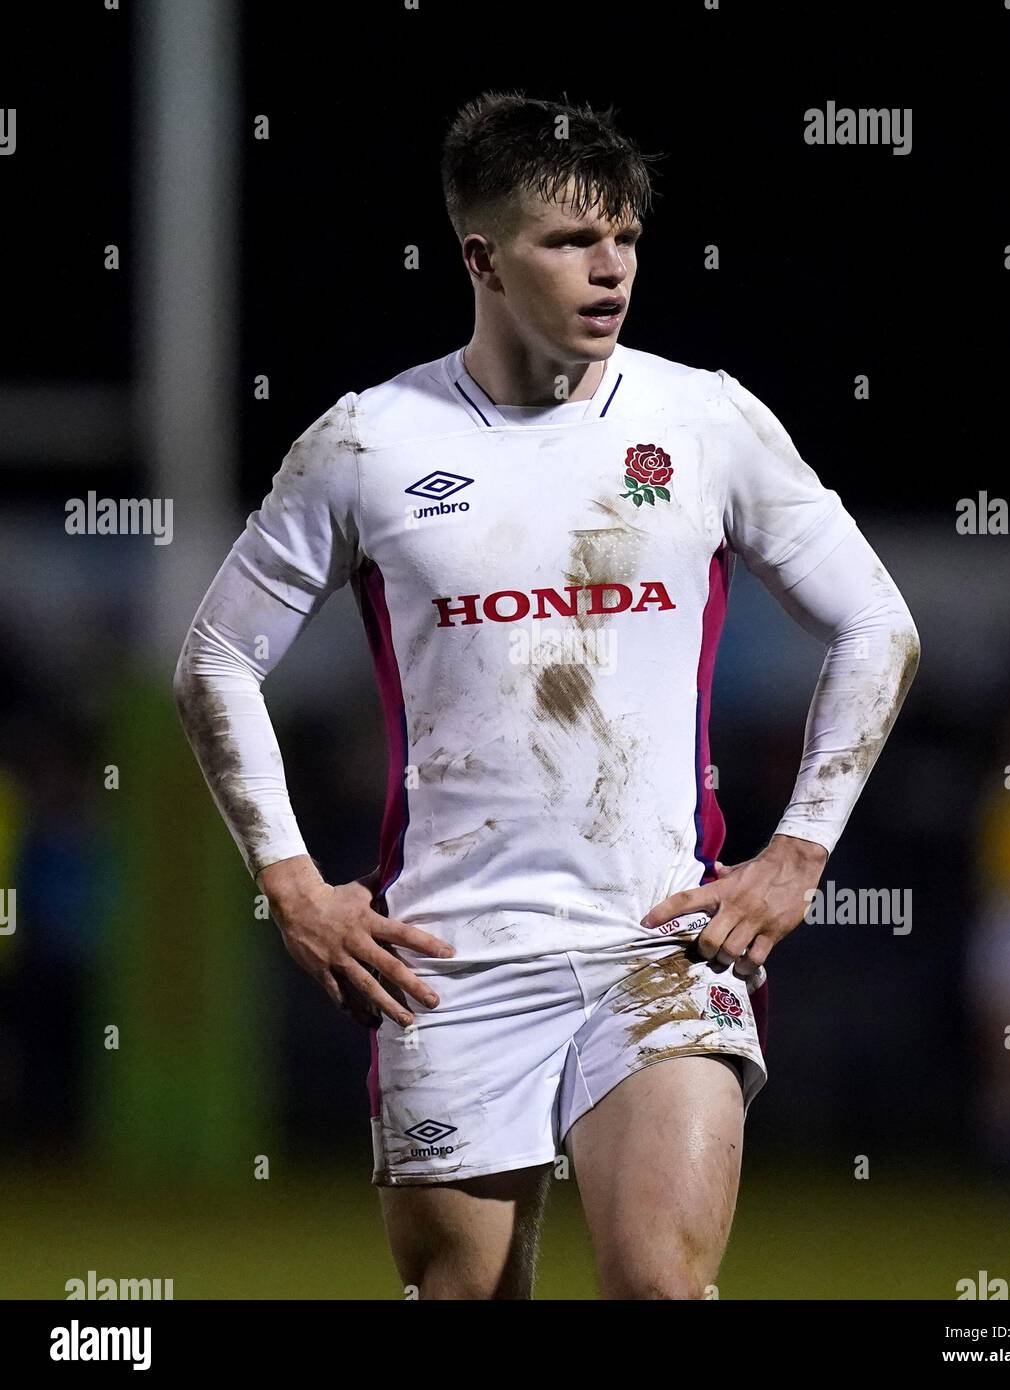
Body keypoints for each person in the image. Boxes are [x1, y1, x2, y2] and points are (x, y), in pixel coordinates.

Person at [174, 91, 920, 1299]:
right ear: (480, 256)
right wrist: (293, 884)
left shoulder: (702, 418)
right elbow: (213, 658)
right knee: (462, 1295)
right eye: (570, 241)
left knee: (658, 1286)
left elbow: (875, 623)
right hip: (446, 961)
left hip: (660, 941)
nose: (610, 268)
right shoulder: (367, 444)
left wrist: (797, 850)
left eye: (623, 237)